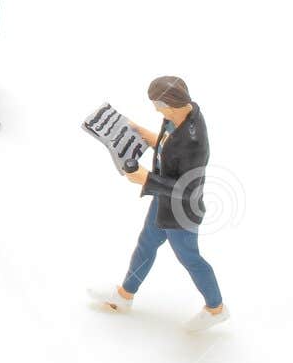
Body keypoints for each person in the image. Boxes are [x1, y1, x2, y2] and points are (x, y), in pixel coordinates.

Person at [88, 76, 229, 332]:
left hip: (181, 214)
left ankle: (216, 308)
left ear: (170, 103)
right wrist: (145, 134)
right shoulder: (178, 116)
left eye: (157, 104)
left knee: (190, 258)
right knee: (146, 245)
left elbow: (188, 189)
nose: (155, 109)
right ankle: (124, 295)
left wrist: (145, 179)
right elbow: (168, 145)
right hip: (164, 204)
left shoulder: (194, 141)